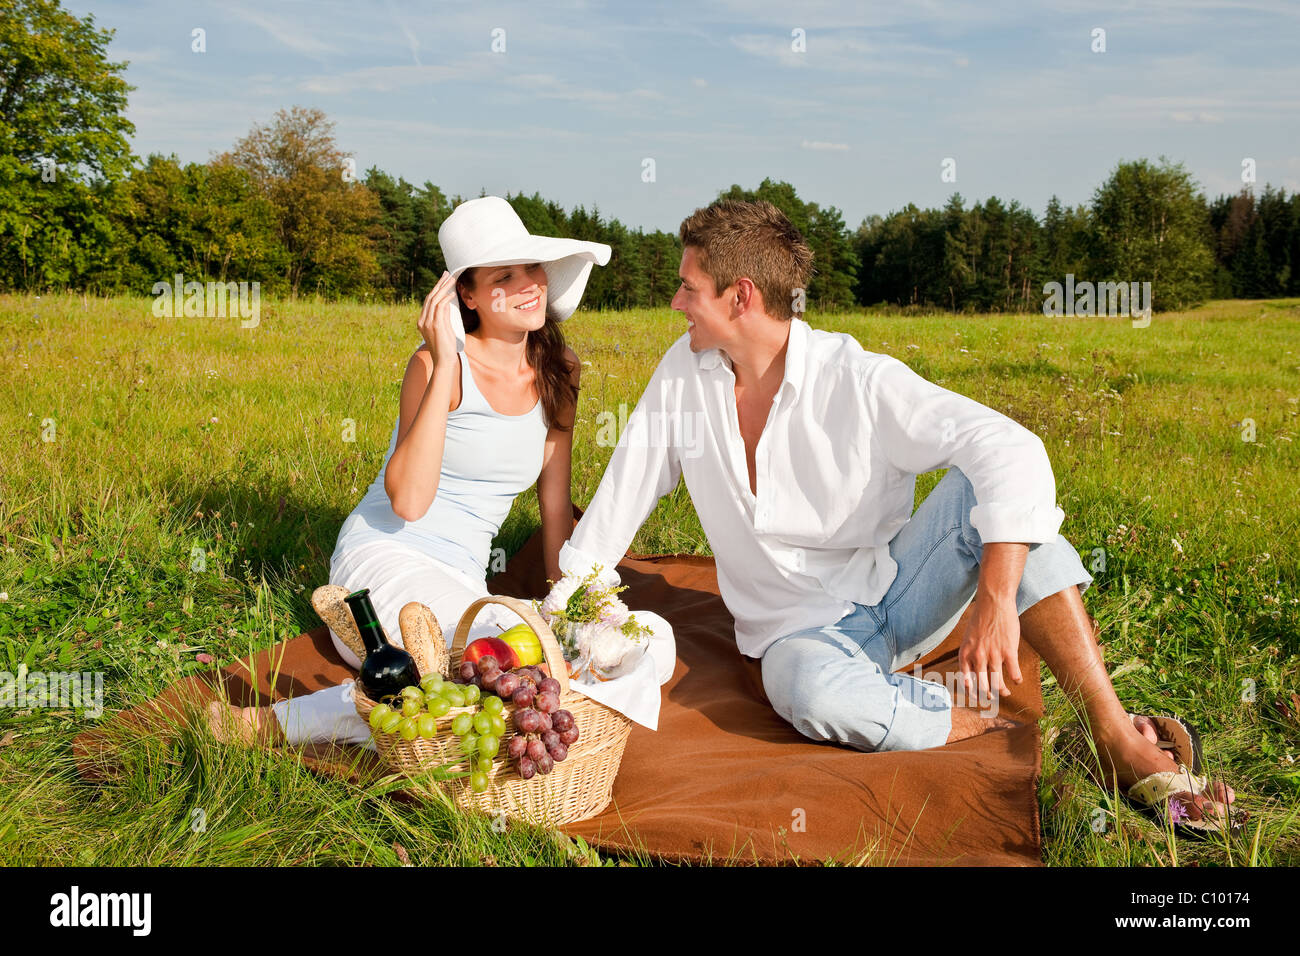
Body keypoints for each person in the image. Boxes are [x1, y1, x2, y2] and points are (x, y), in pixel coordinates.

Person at [544, 198, 1241, 834]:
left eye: (689, 288)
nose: (676, 303)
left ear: (742, 297)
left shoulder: (857, 380)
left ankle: (1115, 736)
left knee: (993, 495)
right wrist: (562, 607)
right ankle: (983, 726)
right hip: (796, 638)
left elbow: (1011, 447)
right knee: (804, 689)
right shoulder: (684, 374)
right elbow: (625, 492)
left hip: (896, 595)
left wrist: (996, 598)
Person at [207, 195, 665, 748]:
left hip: (462, 577)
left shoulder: (558, 369)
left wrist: (564, 604)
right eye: (504, 275)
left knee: (626, 645)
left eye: (532, 268)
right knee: (475, 669)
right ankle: (273, 724)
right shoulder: (434, 366)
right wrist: (445, 358)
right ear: (465, 296)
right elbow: (408, 504)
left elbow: (554, 502)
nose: (530, 284)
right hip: (387, 553)